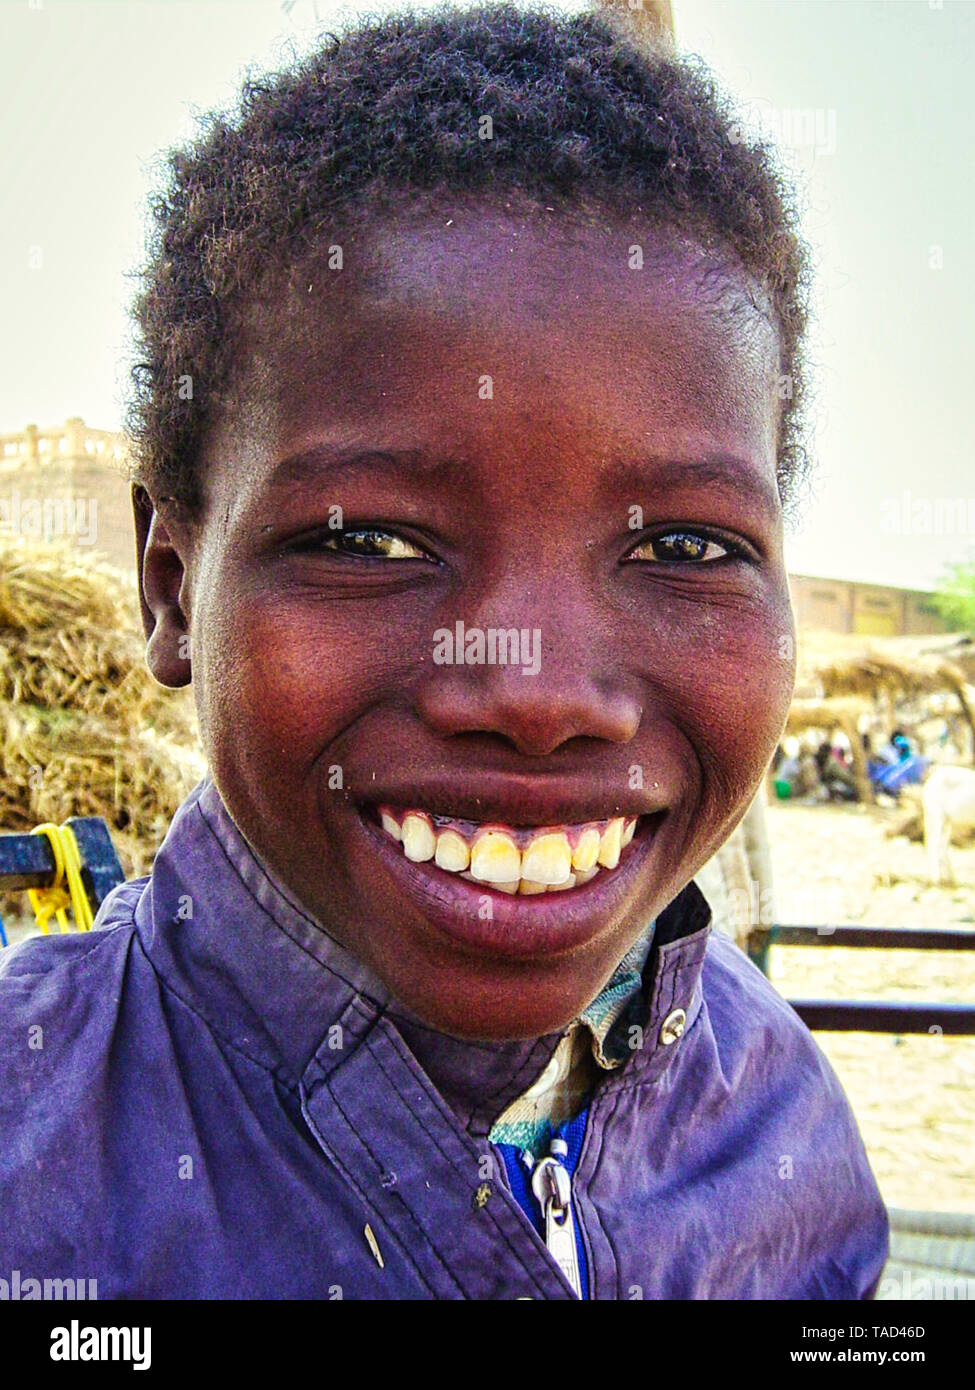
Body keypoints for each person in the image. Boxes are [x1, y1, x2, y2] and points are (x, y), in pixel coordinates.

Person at [0, 2, 887, 1299]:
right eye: (370, 541)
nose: (537, 692)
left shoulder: (781, 1130)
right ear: (171, 583)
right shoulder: (32, 1156)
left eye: (685, 549)